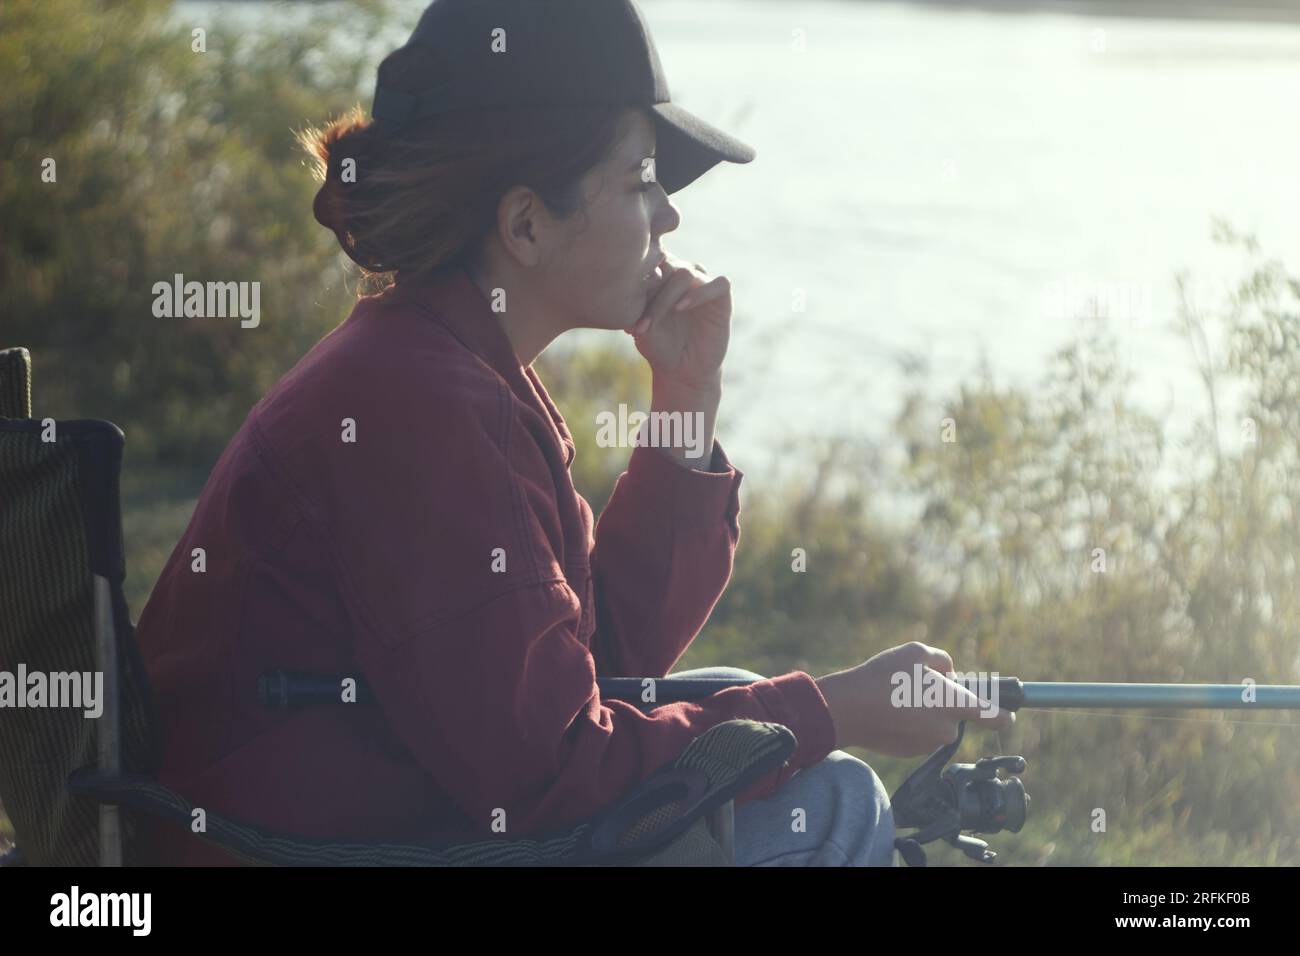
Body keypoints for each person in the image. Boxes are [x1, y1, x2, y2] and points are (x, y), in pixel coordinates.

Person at [134, 0, 1010, 867]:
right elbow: (552, 776)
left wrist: (685, 397)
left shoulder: (452, 366)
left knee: (729, 706)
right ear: (524, 225)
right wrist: (834, 710)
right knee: (829, 799)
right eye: (639, 180)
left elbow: (598, 656)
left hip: (378, 822)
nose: (667, 215)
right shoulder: (420, 410)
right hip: (298, 851)